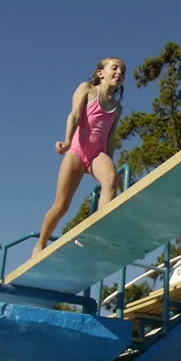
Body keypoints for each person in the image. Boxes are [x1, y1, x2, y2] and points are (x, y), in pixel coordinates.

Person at [33, 57, 126, 257]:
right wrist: (67, 141)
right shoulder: (87, 89)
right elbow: (75, 115)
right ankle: (40, 245)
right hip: (76, 151)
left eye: (123, 71)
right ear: (101, 73)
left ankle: (101, 230)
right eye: (115, 68)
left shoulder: (117, 108)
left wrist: (110, 165)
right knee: (61, 205)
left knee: (110, 178)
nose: (119, 72)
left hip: (97, 155)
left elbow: (110, 138)